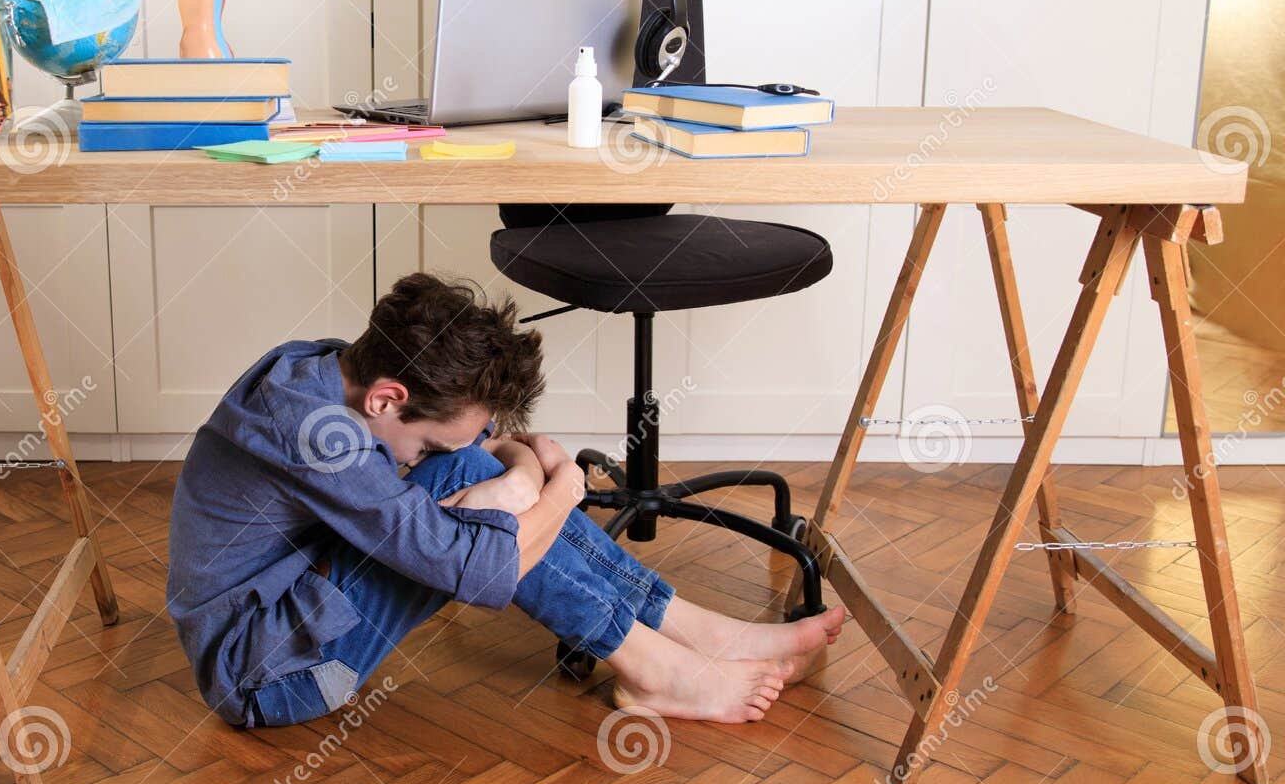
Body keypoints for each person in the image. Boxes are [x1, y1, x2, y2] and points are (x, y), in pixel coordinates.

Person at [167, 272, 843, 728]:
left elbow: (494, 441)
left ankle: (693, 633)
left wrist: (520, 476)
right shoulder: (321, 436)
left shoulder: (340, 372)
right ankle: (655, 665)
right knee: (478, 519)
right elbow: (478, 565)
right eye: (425, 442)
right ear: (385, 398)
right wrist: (562, 487)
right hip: (267, 674)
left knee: (475, 486)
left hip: (293, 605)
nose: (427, 455)